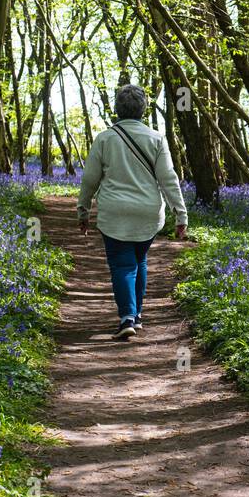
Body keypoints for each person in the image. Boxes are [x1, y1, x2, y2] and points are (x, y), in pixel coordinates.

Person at [78, 84, 188, 340]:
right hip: (148, 213)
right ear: (143, 110)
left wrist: (83, 211)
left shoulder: (105, 138)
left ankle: (127, 317)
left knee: (122, 263)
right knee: (139, 260)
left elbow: (89, 181)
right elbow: (169, 179)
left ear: (117, 110)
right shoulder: (157, 138)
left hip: (114, 213)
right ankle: (136, 315)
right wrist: (180, 214)